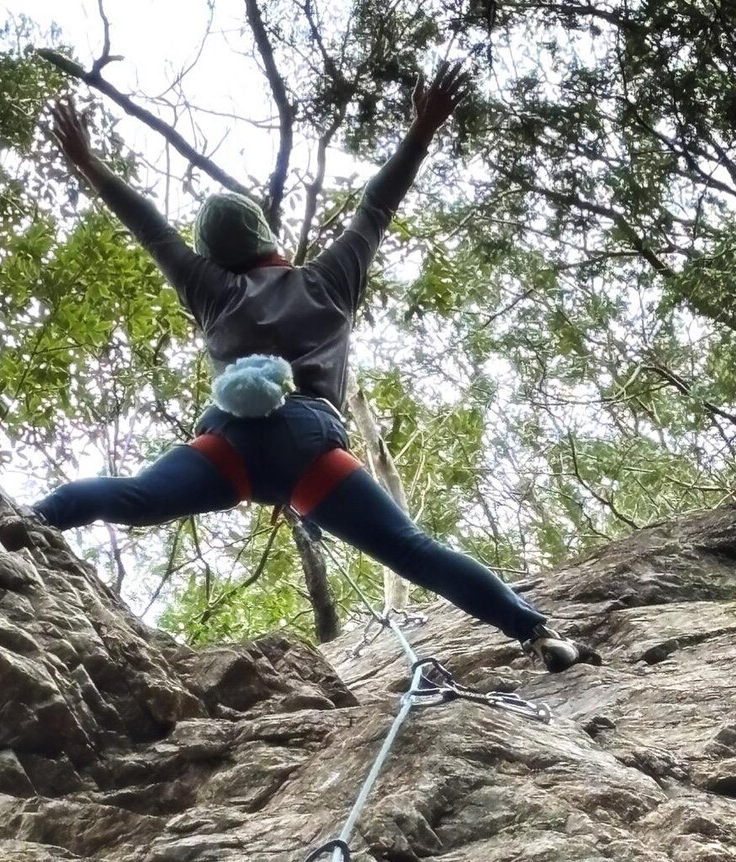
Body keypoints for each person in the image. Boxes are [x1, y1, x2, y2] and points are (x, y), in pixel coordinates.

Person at [34, 62, 599, 673]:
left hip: (228, 441)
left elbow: (149, 229)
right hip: (306, 450)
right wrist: (421, 130)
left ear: (213, 255)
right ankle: (539, 634)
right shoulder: (328, 281)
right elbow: (375, 207)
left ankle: (20, 528)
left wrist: (90, 164)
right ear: (268, 237)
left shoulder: (211, 290)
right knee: (412, 550)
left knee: (132, 497)